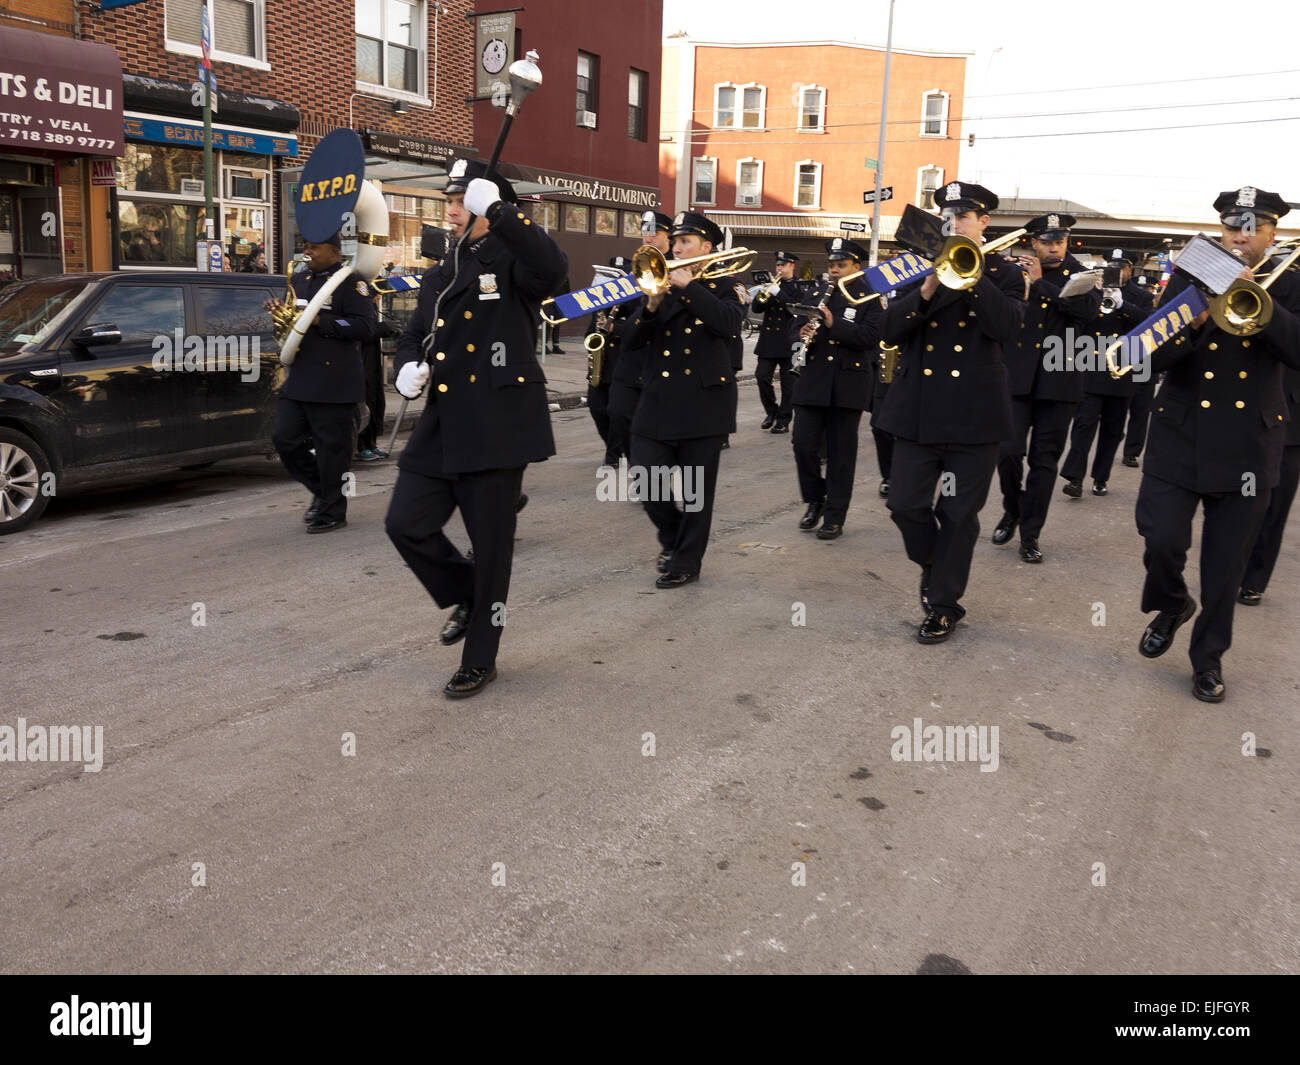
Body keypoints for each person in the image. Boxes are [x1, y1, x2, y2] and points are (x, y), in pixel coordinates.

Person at [385, 158, 566, 698]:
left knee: (491, 549)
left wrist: (505, 214)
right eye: (449, 199)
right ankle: (469, 594)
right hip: (443, 422)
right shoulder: (443, 269)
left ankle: (480, 658)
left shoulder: (512, 258)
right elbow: (415, 332)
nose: (451, 209)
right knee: (405, 523)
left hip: (497, 424)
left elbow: (553, 270)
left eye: (463, 200)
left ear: (488, 206)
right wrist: (407, 366)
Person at [1134, 186, 1300, 702]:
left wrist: (1262, 302)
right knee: (1160, 537)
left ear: (1273, 235)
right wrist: (1195, 315)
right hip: (1180, 434)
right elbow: (1147, 356)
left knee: (1225, 567)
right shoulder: (1188, 277)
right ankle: (1173, 601)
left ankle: (1208, 660)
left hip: (1249, 444)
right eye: (1232, 228)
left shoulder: (1290, 284)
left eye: (1252, 230)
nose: (1240, 238)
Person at [875, 181, 1027, 642]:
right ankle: (933, 564)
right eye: (947, 217)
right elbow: (886, 329)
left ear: (984, 223)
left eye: (964, 217)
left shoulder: (1003, 272)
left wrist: (971, 277)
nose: (954, 224)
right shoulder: (915, 265)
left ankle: (943, 604)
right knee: (904, 505)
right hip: (917, 410)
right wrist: (923, 292)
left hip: (974, 415)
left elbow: (1007, 327)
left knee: (960, 516)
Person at [623, 209, 744, 587]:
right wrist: (653, 304)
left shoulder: (726, 284)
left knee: (695, 494)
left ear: (706, 247)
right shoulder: (659, 283)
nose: (675, 248)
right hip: (658, 398)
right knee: (645, 480)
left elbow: (728, 323)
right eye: (674, 242)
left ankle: (686, 561)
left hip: (703, 403)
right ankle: (674, 539)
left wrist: (690, 287)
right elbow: (630, 341)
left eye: (684, 242)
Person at [992, 213, 1101, 563]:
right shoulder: (1014, 270)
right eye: (1047, 242)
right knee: (1007, 451)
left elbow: (1088, 314)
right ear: (1033, 243)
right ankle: (1013, 508)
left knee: (1044, 461)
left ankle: (1030, 533)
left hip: (1061, 378)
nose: (1054, 247)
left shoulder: (1082, 274)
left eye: (1060, 241)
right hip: (1017, 376)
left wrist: (1040, 283)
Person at [269, 230, 377, 533]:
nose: (308, 252)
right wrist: (280, 313)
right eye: (306, 247)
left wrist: (319, 321)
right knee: (284, 440)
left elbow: (364, 327)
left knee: (333, 453)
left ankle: (333, 511)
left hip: (334, 381)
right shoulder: (301, 280)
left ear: (333, 251)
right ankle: (322, 490)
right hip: (301, 377)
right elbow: (291, 324)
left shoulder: (351, 282)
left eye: (314, 247)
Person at [790, 237, 880, 539]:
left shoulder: (869, 296)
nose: (835, 270)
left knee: (842, 454)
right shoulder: (816, 291)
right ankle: (815, 499)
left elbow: (870, 337)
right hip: (812, 381)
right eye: (831, 264)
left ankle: (835, 515)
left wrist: (832, 323)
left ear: (856, 265)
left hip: (847, 383)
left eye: (841, 264)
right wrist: (800, 334)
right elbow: (794, 328)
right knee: (802, 444)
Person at [1059, 248, 1153, 496]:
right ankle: (1075, 477)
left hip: (1121, 371)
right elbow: (1080, 320)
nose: (1116, 271)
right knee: (1083, 425)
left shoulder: (1140, 296)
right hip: (1092, 367)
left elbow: (1147, 323)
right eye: (1111, 266)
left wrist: (1123, 305)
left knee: (1112, 430)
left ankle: (1100, 477)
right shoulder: (1093, 288)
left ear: (1129, 270)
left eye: (1120, 267)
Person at [607, 211, 672, 465]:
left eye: (654, 233)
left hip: (660, 359)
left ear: (668, 237)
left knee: (656, 425)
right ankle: (639, 468)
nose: (648, 238)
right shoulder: (631, 269)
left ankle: (651, 471)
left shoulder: (678, 269)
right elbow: (616, 314)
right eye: (645, 232)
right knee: (619, 414)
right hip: (631, 358)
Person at [1239, 366, 1300, 605]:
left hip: (1292, 425)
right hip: (1247, 415)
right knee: (1242, 501)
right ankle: (1228, 569)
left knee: (1276, 507)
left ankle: (1254, 580)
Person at [584, 254, 635, 468]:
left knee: (616, 412)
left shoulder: (635, 297)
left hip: (622, 362)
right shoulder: (601, 301)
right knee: (597, 409)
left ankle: (613, 455)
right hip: (601, 362)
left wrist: (616, 328)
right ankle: (615, 446)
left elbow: (639, 326)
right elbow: (591, 330)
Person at [751, 252, 802, 433]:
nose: (779, 268)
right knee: (762, 377)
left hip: (791, 341)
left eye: (783, 265)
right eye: (778, 265)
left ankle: (784, 420)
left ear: (792, 266)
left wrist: (779, 293)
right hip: (769, 342)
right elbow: (757, 308)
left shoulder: (799, 286)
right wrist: (762, 292)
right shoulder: (773, 285)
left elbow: (797, 310)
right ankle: (771, 412)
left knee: (790, 385)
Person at [356, 289, 400, 461]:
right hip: (361, 362)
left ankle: (371, 443)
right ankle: (361, 446)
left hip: (372, 363)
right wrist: (381, 328)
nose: (379, 297)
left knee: (375, 401)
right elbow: (360, 330)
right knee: (365, 402)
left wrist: (389, 330)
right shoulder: (359, 306)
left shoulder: (371, 306)